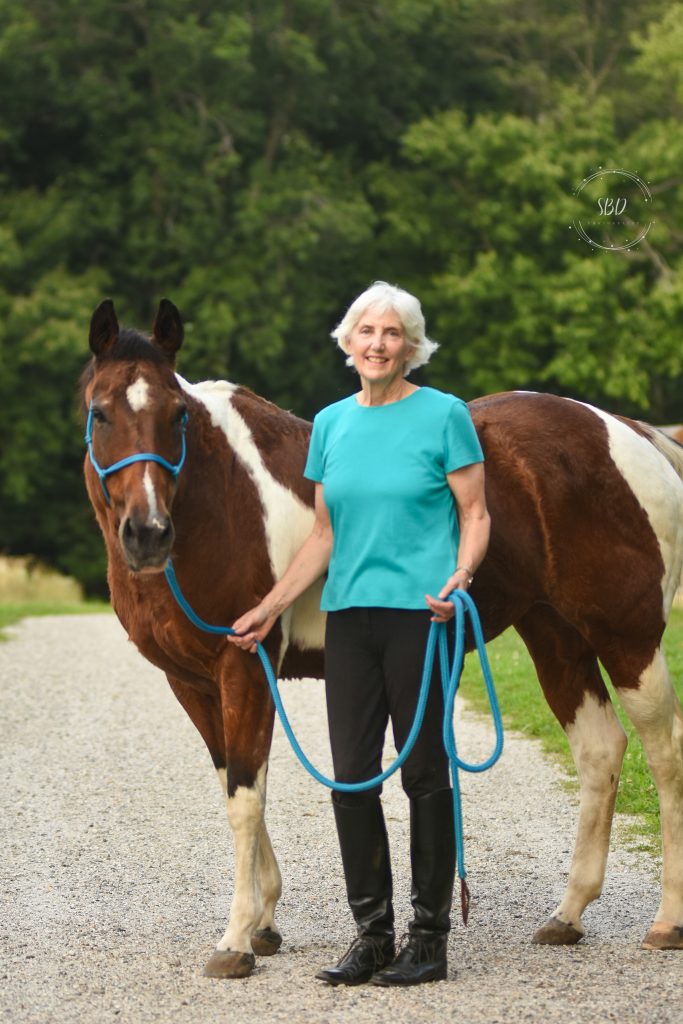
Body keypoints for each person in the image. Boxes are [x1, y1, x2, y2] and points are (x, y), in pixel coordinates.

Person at [229, 281, 490, 986]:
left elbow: (475, 513)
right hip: (349, 619)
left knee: (423, 773)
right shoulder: (331, 425)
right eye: (366, 332)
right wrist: (271, 606)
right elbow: (323, 533)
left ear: (411, 346)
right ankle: (372, 935)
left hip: (422, 620)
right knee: (350, 780)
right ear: (348, 343)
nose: (378, 344)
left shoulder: (444, 416)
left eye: (392, 333)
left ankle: (428, 939)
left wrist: (460, 575)